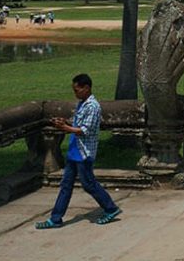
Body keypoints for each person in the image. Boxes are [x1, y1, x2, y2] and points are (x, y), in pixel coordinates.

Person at [35, 73, 121, 229]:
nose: (75, 93)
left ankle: (111, 208)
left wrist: (65, 128)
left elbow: (85, 130)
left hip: (84, 153)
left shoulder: (93, 106)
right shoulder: (82, 104)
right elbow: (77, 124)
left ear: (86, 88)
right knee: (66, 185)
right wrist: (65, 122)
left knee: (88, 184)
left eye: (77, 90)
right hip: (74, 151)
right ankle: (56, 218)